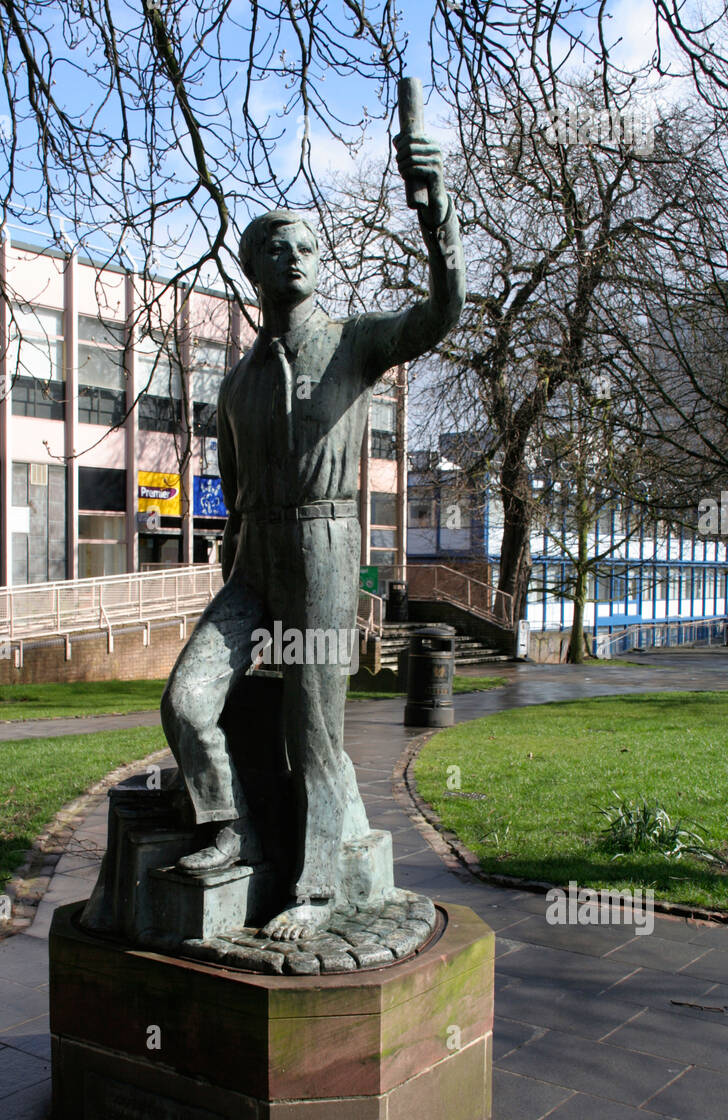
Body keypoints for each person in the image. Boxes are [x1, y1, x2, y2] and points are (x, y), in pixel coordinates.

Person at [161, 128, 465, 940]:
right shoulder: (236, 383)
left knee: (314, 727)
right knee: (187, 703)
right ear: (252, 270)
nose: (294, 256)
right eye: (276, 247)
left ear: (318, 264)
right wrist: (236, 557)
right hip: (255, 556)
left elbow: (441, 313)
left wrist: (437, 221)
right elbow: (232, 484)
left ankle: (319, 890)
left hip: (327, 551)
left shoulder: (354, 343)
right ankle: (229, 828)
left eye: (306, 246)